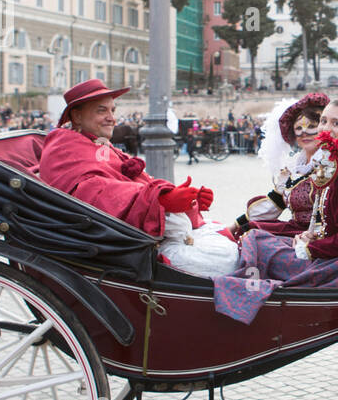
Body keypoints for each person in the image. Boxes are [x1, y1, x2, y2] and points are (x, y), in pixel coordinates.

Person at [39, 79, 235, 277]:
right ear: (77, 115)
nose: (111, 118)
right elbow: (93, 191)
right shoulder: (64, 147)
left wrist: (186, 202)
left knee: (222, 244)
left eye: (112, 111)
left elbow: (128, 183)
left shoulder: (95, 143)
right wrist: (161, 199)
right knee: (223, 259)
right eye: (101, 111)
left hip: (121, 237)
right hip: (106, 247)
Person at [213, 98, 338, 324]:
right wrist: (312, 235)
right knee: (254, 235)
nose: (325, 129)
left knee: (256, 240)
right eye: (324, 122)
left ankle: (243, 298)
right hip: (324, 250)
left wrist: (310, 247)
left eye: (336, 124)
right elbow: (326, 221)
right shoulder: (330, 165)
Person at [230, 92, 328, 239]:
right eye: (298, 128)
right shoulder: (294, 166)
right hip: (295, 230)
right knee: (248, 230)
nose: (304, 133)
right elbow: (272, 205)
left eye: (312, 126)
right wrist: (234, 226)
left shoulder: (330, 164)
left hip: (316, 236)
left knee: (254, 239)